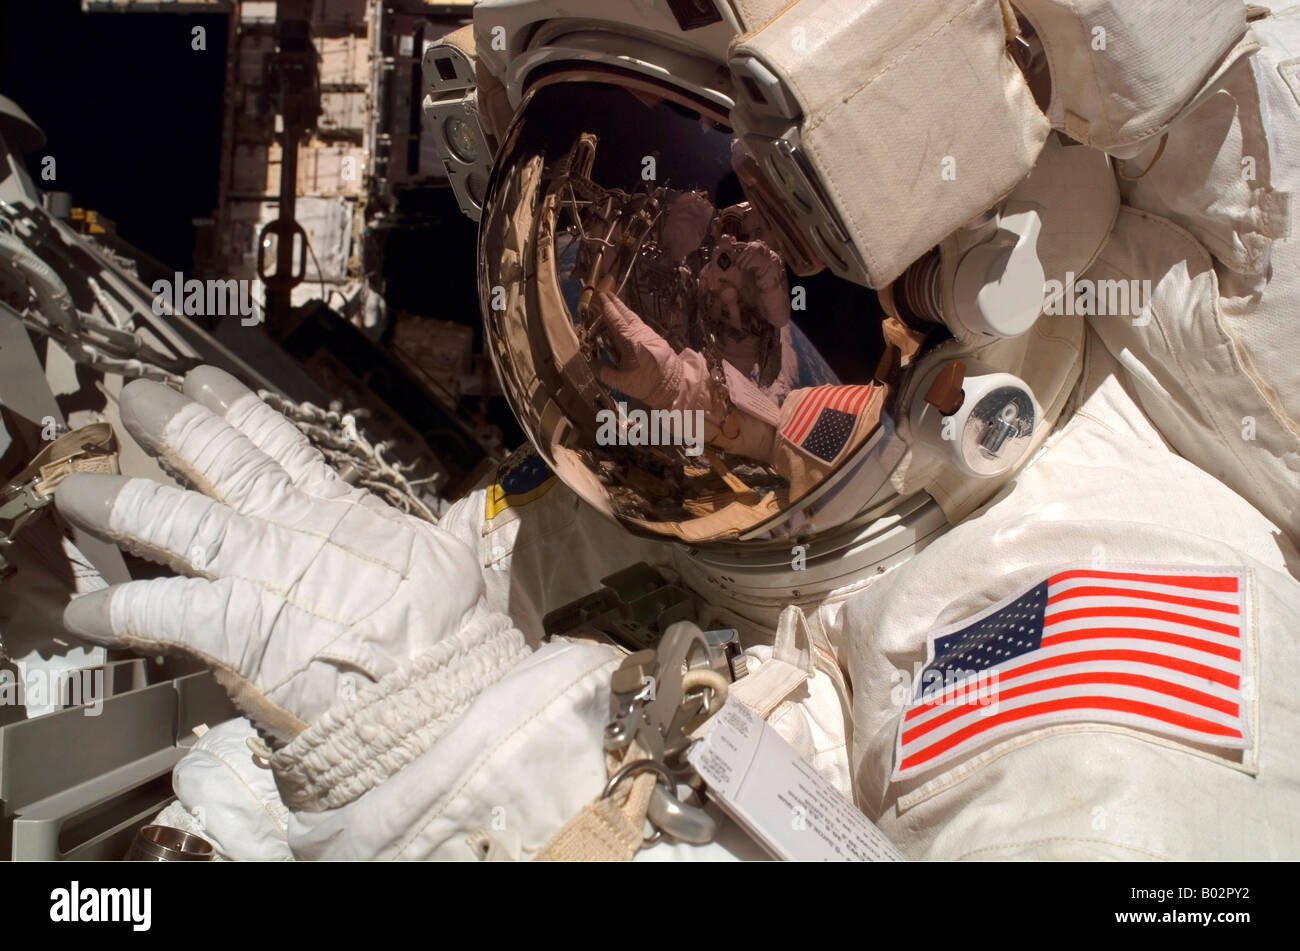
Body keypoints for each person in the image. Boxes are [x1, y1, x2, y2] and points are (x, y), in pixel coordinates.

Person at [54, 0, 1300, 859]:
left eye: (745, 286)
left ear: (970, 283)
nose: (654, 346)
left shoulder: (1101, 624)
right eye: (591, 245)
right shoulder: (762, 474)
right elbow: (504, 557)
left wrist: (473, 792)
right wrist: (348, 699)